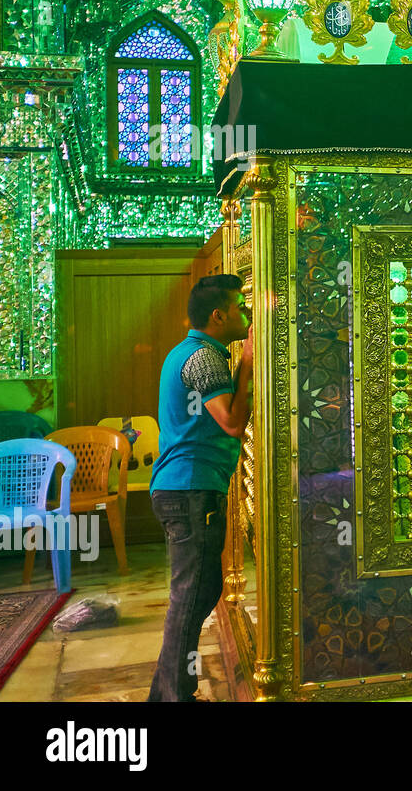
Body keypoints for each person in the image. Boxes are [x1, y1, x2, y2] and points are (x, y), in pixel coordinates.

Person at [147, 275, 253, 702]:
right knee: (190, 598)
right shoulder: (204, 357)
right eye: (241, 306)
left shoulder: (186, 352)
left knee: (198, 593)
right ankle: (172, 697)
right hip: (189, 491)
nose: (247, 315)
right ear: (219, 315)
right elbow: (231, 421)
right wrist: (248, 363)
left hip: (185, 489)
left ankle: (171, 692)